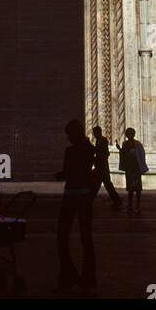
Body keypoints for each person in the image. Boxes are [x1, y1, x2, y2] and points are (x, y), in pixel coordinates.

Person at [55, 120, 97, 290]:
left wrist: (60, 175)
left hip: (71, 196)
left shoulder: (71, 151)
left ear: (74, 133)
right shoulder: (89, 149)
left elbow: (66, 172)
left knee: (62, 237)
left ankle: (68, 276)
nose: (67, 137)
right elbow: (95, 170)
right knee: (86, 239)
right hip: (85, 197)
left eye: (69, 134)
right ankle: (88, 280)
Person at [90, 125, 122, 209]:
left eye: (95, 133)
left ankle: (117, 201)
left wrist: (94, 151)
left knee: (102, 185)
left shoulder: (103, 140)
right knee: (99, 185)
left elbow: (104, 153)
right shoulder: (98, 141)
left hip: (103, 167)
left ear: (98, 132)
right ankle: (117, 201)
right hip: (100, 167)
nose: (94, 135)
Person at [118, 126, 147, 216]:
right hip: (130, 169)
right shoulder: (125, 144)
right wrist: (120, 150)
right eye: (128, 134)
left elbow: (141, 155)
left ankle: (137, 205)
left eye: (131, 134)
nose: (130, 136)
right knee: (130, 189)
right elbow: (124, 155)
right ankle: (130, 205)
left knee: (137, 189)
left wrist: (142, 166)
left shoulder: (137, 144)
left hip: (136, 169)